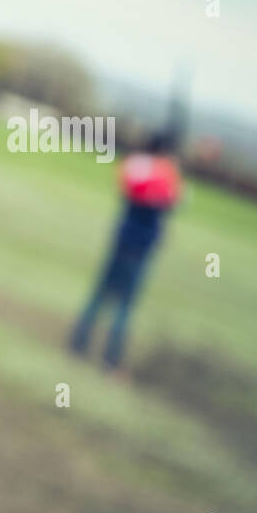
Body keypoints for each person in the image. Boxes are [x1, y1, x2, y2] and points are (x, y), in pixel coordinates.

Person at [69, 135, 182, 371]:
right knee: (126, 303)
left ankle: (78, 341)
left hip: (122, 238)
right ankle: (111, 358)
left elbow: (125, 189)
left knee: (101, 292)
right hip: (142, 246)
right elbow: (173, 201)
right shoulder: (166, 172)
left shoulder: (134, 164)